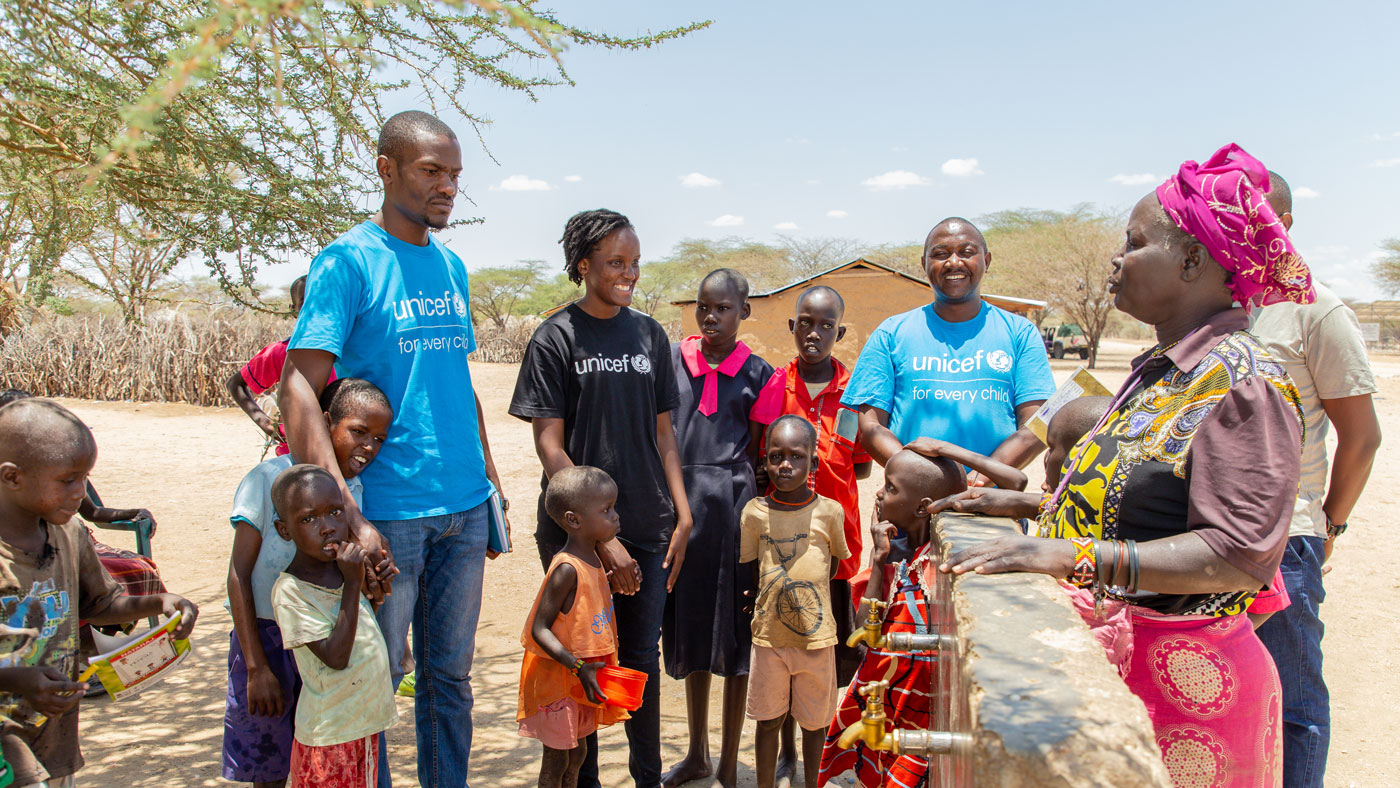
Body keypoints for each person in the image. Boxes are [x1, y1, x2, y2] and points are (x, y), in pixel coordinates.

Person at [940, 143, 1313, 788]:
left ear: (1194, 259)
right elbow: (1151, 504)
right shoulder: (1161, 374)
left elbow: (1239, 554)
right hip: (1130, 671)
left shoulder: (1242, 383)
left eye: (1135, 242)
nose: (1116, 257)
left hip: (1190, 692)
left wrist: (1066, 556)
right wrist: (1034, 509)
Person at [280, 110, 510, 788]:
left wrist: (490, 485)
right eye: (431, 172)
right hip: (390, 515)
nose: (447, 188)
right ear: (387, 169)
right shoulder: (347, 262)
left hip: (464, 508)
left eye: (455, 175)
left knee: (451, 680)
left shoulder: (451, 267)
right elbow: (299, 387)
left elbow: (456, 382)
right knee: (375, 678)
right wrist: (348, 513)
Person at [509, 208, 691, 788]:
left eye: (634, 263)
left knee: (638, 663)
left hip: (648, 521)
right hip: (576, 536)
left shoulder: (648, 334)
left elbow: (665, 432)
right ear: (582, 265)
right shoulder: (555, 336)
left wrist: (682, 513)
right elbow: (548, 442)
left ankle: (647, 779)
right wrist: (600, 538)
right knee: (581, 668)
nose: (629, 273)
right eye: (616, 262)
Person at [1251, 171, 1382, 788]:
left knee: (1295, 703)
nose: (1243, 225)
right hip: (1209, 539)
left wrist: (1330, 525)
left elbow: (1362, 437)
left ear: (1288, 222)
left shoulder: (1316, 310)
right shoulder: (1214, 308)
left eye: (1259, 212)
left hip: (1288, 541)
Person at [0, 398, 198, 787]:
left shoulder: (69, 534)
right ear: (12, 477)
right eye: (68, 480)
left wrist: (163, 602)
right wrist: (18, 680)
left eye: (85, 478)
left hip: (53, 736)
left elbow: (103, 604)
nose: (81, 494)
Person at [818, 447, 1022, 788]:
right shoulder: (905, 562)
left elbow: (1016, 481)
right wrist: (879, 559)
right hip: (895, 712)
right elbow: (863, 632)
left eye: (891, 487)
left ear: (923, 507)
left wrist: (946, 450)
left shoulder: (936, 570)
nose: (880, 493)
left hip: (921, 724)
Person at [224, 378, 392, 788]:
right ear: (325, 423)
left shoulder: (351, 491)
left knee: (320, 749)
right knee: (269, 760)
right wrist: (256, 666)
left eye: (378, 439)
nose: (368, 447)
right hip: (268, 637)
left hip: (328, 636)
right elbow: (237, 574)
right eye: (358, 432)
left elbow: (342, 573)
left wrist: (373, 580)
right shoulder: (270, 479)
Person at [661, 268, 771, 788]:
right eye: (704, 307)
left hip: (732, 507)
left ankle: (729, 761)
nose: (712, 317)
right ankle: (697, 753)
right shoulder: (671, 362)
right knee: (691, 630)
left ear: (743, 312)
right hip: (681, 509)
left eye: (723, 308)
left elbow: (757, 449)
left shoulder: (759, 373)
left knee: (735, 632)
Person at [843, 216, 1056, 474]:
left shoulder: (1020, 333)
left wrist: (980, 481)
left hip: (993, 503)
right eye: (941, 254)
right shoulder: (890, 333)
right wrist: (920, 477)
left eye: (966, 252)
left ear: (986, 261)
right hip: (912, 501)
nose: (954, 262)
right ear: (924, 264)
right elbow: (871, 427)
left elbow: (1036, 426)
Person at [753, 286, 872, 680]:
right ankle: (786, 737)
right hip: (784, 538)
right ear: (792, 326)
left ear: (839, 333)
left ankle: (819, 734)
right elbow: (759, 457)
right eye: (805, 323)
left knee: (831, 657)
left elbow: (861, 467)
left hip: (835, 537)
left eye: (826, 326)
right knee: (784, 644)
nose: (814, 334)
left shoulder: (853, 394)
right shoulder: (776, 386)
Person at [270, 464, 397, 788]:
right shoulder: (291, 591)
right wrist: (353, 585)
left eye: (336, 512)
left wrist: (372, 586)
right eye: (309, 519)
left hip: (362, 727)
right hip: (328, 738)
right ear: (284, 530)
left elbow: (364, 637)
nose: (328, 528)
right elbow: (335, 657)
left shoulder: (347, 569)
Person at [741, 416, 848, 788]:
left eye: (796, 457)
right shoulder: (754, 512)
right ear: (765, 461)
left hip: (817, 642)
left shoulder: (831, 511)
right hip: (769, 639)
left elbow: (832, 564)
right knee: (768, 721)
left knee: (815, 724)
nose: (785, 465)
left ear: (813, 464)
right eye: (775, 456)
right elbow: (750, 567)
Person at [518, 467, 629, 788]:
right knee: (556, 759)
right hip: (560, 681)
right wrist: (578, 666)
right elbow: (539, 629)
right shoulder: (566, 568)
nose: (616, 516)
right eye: (606, 510)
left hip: (581, 680)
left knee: (577, 753)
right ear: (574, 520)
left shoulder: (592, 560)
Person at [228, 276, 335, 456]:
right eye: (304, 302)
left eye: (318, 298)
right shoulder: (283, 353)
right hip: (299, 455)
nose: (313, 306)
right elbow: (236, 384)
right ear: (294, 310)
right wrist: (268, 425)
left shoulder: (351, 349)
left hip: (347, 457)